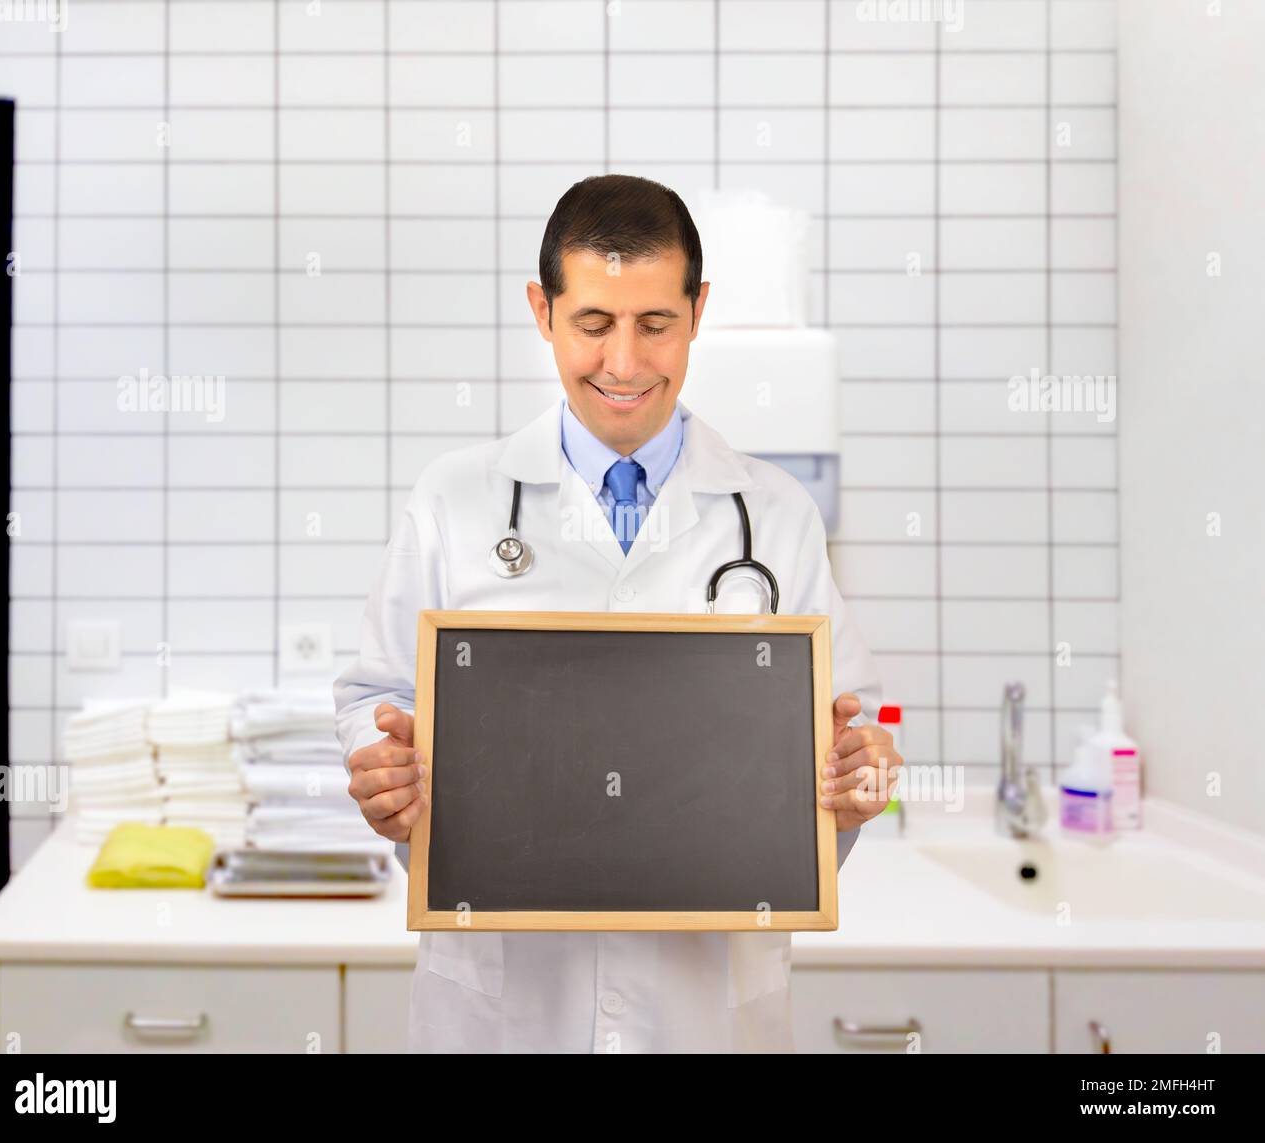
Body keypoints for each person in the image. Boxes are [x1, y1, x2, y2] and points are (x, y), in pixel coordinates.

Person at [334, 173, 902, 1052]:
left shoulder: (777, 514)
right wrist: (382, 774)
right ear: (543, 310)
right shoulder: (454, 501)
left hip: (702, 1014)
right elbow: (373, 698)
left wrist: (854, 787)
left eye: (656, 324)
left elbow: (843, 744)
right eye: (594, 323)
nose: (626, 363)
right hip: (505, 1011)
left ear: (698, 310)